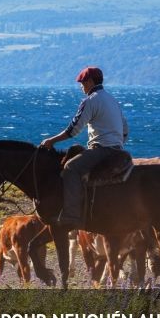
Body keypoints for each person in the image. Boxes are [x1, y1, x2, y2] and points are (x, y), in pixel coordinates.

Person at [39, 66, 130, 228]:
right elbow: (125, 131)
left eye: (82, 82)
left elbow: (73, 130)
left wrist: (51, 141)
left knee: (70, 169)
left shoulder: (90, 101)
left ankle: (71, 216)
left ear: (90, 81)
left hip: (102, 150)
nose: (81, 86)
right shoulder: (112, 100)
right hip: (118, 150)